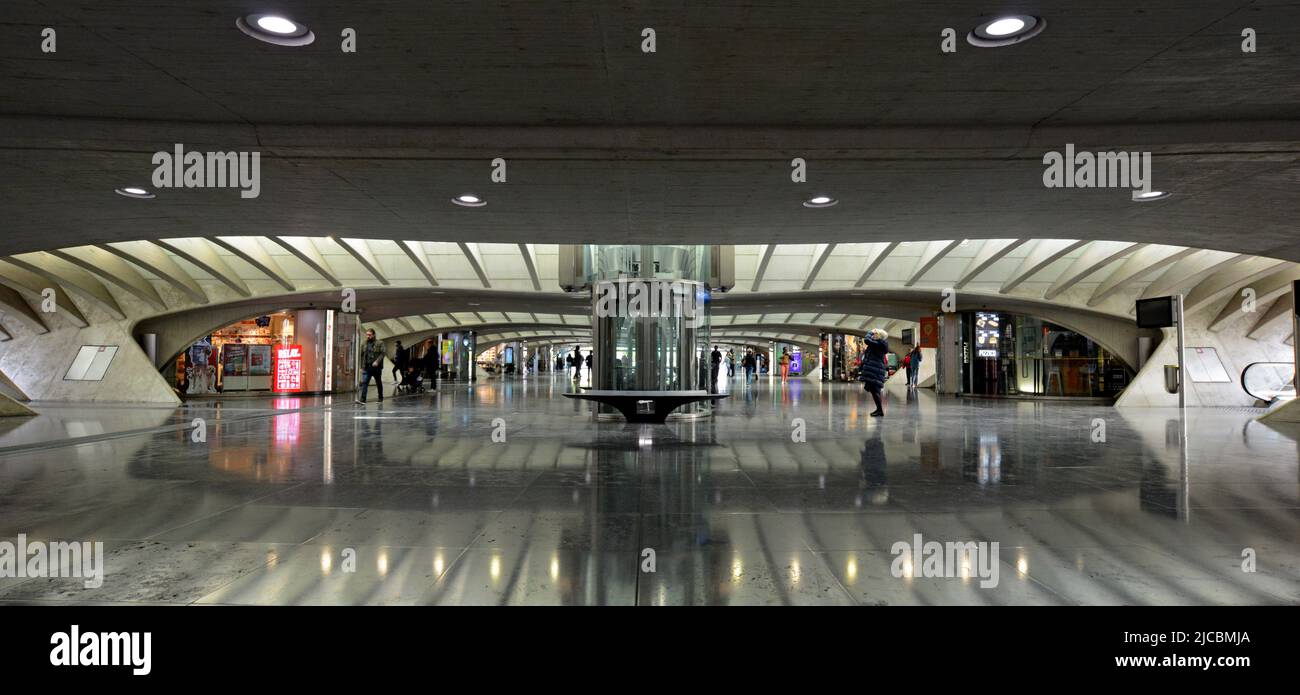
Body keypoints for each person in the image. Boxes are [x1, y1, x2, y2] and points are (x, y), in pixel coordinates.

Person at [860, 328, 890, 416]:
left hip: (876, 370)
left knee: (875, 390)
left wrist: (870, 331)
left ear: (879, 336)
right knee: (874, 390)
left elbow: (866, 340)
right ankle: (879, 410)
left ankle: (880, 410)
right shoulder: (878, 344)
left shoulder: (879, 344)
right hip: (875, 369)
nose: (873, 335)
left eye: (875, 334)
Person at [358, 327, 386, 403]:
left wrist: (377, 361)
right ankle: (363, 400)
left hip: (376, 368)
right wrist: (361, 366)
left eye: (369, 335)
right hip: (367, 367)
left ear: (374, 335)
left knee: (378, 382)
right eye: (367, 335)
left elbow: (383, 353)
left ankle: (380, 397)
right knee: (365, 383)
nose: (368, 336)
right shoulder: (364, 343)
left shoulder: (380, 343)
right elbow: (361, 355)